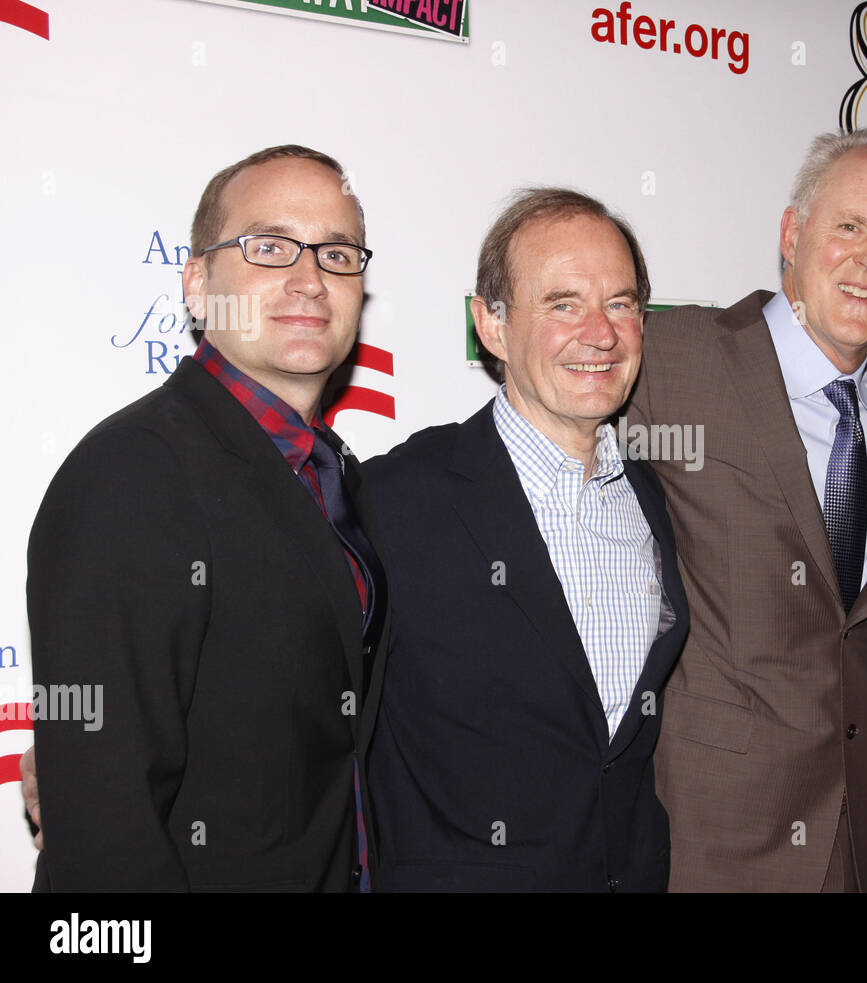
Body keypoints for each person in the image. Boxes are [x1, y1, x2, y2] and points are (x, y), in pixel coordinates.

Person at [26, 145, 387, 891]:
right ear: (197, 285)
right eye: (269, 246)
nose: (310, 277)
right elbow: (103, 828)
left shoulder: (334, 474)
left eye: (338, 252)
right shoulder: (133, 472)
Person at [625, 127, 867, 891]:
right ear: (792, 232)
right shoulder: (671, 354)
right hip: (709, 835)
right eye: (849, 225)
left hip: (855, 839)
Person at [365, 188, 689, 891]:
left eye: (623, 303)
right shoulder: (396, 501)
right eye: (563, 303)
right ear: (492, 325)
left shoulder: (653, 498)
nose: (601, 332)